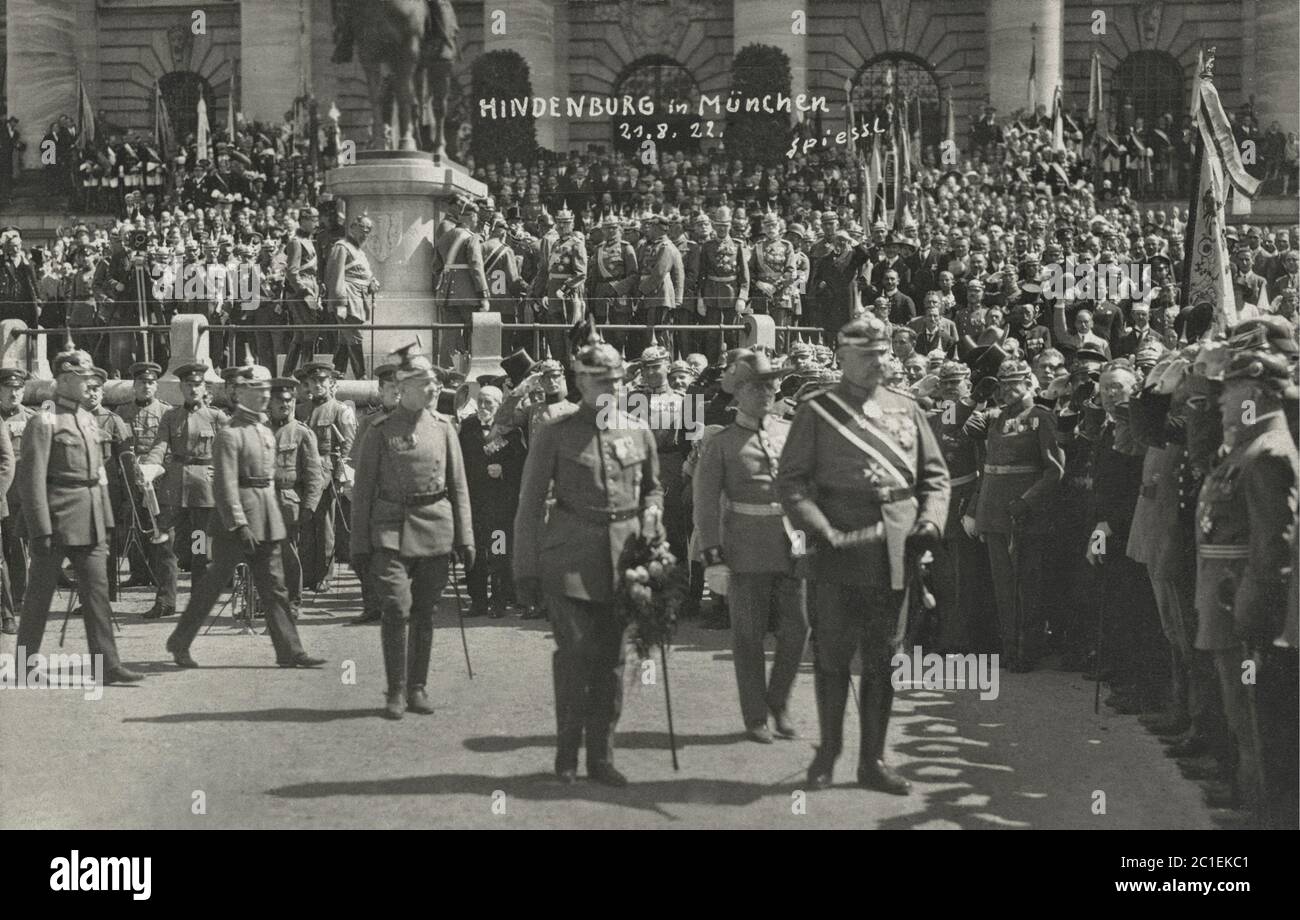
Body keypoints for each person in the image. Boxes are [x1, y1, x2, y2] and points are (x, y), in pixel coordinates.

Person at [777, 316, 949, 793]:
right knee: (832, 657)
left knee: (883, 659)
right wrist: (819, 529)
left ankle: (871, 760)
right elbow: (790, 482)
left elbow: (934, 476)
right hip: (837, 547)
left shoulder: (906, 408)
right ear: (843, 356)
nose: (877, 361)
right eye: (866, 353)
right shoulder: (818, 410)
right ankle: (829, 749)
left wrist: (930, 520)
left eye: (883, 352)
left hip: (894, 551)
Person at [512, 338, 663, 786]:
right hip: (570, 559)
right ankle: (566, 755)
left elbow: (653, 488)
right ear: (581, 382)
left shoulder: (637, 430)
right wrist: (525, 568)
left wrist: (653, 519)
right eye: (601, 382)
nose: (611, 389)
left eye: (617, 381)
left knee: (612, 661)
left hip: (623, 561)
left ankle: (601, 756)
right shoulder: (555, 434)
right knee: (576, 656)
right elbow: (530, 502)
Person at [165, 364, 327, 670]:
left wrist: (272, 521)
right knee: (212, 586)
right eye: (259, 390)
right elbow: (225, 485)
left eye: (267, 390)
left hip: (266, 521)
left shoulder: (264, 430)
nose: (266, 396)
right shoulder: (230, 433)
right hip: (235, 527)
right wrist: (239, 524)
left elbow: (266, 482)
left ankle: (290, 651)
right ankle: (180, 641)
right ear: (242, 393)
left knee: (275, 588)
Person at [1195, 347, 1298, 822]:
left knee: (1256, 721)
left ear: (1255, 394)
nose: (1221, 400)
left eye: (1230, 389)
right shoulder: (1249, 446)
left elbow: (1274, 550)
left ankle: (1263, 815)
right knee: (1243, 714)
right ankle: (1252, 801)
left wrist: (1251, 614)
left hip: (1249, 609)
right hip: (1232, 596)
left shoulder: (1270, 453)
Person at [351, 348, 474, 720]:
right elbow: (362, 490)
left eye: (435, 382)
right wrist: (359, 544)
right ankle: (396, 690)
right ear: (403, 389)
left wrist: (465, 537)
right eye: (425, 383)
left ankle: (417, 687)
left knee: (424, 611)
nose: (434, 388)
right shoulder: (379, 431)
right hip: (390, 527)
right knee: (395, 606)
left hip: (436, 527)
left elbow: (459, 486)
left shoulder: (444, 427)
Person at [693, 348, 809, 742]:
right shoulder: (721, 442)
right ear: (738, 392)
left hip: (792, 547)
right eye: (757, 386)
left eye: (772, 385)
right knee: (748, 636)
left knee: (798, 630)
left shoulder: (790, 431)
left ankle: (779, 701)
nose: (767, 392)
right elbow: (706, 505)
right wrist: (713, 558)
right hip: (744, 550)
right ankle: (755, 716)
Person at [14, 350, 143, 684]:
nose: (90, 386)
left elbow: (98, 474)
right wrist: (39, 529)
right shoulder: (44, 421)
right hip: (56, 521)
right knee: (39, 597)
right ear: (66, 380)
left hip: (90, 519)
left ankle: (109, 665)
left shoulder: (87, 419)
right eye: (84, 380)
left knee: (97, 595)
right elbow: (31, 480)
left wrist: (106, 520)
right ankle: (24, 665)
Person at [963, 359, 1064, 671]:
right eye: (1003, 384)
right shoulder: (994, 416)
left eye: (1013, 383)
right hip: (993, 512)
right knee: (1003, 586)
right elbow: (955, 426)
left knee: (1026, 586)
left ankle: (1027, 649)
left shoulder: (1040, 417)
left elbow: (1054, 471)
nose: (1007, 390)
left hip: (1023, 514)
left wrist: (1026, 501)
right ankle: (1009, 647)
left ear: (1029, 382)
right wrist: (975, 399)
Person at [142, 363, 230, 620]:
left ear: (204, 388)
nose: (193, 389)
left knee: (200, 548)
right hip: (173, 489)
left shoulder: (217, 418)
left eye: (197, 385)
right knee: (165, 544)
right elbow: (160, 444)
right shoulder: (171, 417)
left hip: (204, 491)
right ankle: (165, 601)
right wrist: (150, 465)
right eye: (188, 385)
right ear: (181, 387)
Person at [459, 383, 525, 617]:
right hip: (474, 506)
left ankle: (499, 601)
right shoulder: (467, 427)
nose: (484, 406)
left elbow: (521, 466)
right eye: (481, 401)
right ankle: (477, 601)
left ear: (499, 406)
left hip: (499, 510)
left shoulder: (511, 432)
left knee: (499, 554)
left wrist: (504, 469)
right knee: (475, 555)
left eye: (489, 402)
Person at [296, 362, 357, 591]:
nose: (318, 385)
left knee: (325, 526)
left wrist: (342, 476)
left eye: (323, 381)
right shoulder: (301, 410)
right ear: (308, 384)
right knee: (306, 525)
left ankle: (325, 576)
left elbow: (349, 446)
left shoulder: (340, 410)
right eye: (314, 381)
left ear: (331, 383)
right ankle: (307, 574)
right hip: (303, 473)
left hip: (326, 472)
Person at [268, 376, 325, 621]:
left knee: (288, 556)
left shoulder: (302, 433)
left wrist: (309, 506)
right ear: (269, 402)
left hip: (287, 502)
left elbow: (315, 476)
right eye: (280, 401)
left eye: (290, 401)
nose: (286, 405)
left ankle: (292, 601)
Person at [116, 361, 171, 590]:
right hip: (132, 475)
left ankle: (158, 572)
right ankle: (138, 572)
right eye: (142, 382)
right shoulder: (123, 412)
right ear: (134, 385)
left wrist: (155, 469)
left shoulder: (166, 411)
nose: (146, 386)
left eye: (150, 382)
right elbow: (120, 446)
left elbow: (168, 446)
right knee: (134, 522)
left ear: (156, 386)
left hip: (156, 475)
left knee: (156, 521)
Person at [431, 200, 490, 366]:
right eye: (476, 218)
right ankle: (472, 370)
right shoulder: (471, 238)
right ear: (470, 217)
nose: (477, 221)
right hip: (469, 295)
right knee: (474, 335)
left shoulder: (445, 238)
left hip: (447, 295)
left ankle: (446, 372)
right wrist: (483, 294)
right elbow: (476, 266)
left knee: (449, 336)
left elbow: (435, 267)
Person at [0, 368, 35, 634]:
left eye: (19, 389)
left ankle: (20, 598)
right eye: (9, 388)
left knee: (18, 548)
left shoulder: (33, 419)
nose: (14, 393)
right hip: (3, 493)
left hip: (20, 493)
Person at [324, 214, 378, 379]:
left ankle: (337, 373)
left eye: (368, 231)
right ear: (352, 227)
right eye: (363, 229)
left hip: (358, 298)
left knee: (346, 338)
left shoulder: (358, 251)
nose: (365, 234)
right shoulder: (341, 247)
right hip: (348, 298)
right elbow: (335, 276)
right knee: (354, 336)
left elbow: (362, 274)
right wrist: (340, 303)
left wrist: (372, 282)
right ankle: (361, 375)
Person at [282, 206, 322, 375]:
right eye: (313, 220)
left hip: (310, 288)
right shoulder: (296, 242)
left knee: (300, 335)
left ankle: (288, 373)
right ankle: (307, 373)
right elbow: (292, 272)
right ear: (303, 220)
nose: (316, 223)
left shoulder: (309, 241)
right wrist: (305, 292)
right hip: (301, 293)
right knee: (309, 333)